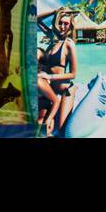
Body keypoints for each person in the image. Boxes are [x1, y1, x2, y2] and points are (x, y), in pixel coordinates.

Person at [36, 8, 77, 136]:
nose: (63, 26)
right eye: (60, 22)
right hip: (51, 92)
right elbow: (37, 19)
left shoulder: (69, 44)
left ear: (70, 26)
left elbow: (73, 74)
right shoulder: (52, 38)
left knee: (60, 130)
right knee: (41, 125)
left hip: (65, 91)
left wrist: (49, 76)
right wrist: (54, 11)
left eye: (66, 24)